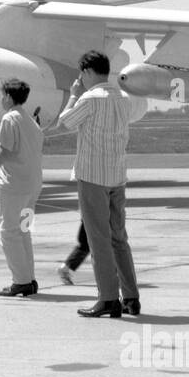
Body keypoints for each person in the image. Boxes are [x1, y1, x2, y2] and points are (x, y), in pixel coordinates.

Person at [57, 51, 148, 318]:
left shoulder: (90, 98)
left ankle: (108, 299)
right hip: (117, 176)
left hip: (93, 177)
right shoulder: (122, 98)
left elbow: (64, 122)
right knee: (119, 238)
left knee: (98, 240)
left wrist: (73, 94)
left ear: (86, 72)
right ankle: (131, 297)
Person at [0, 79, 45, 297]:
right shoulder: (29, 120)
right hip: (32, 185)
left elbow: (5, 152)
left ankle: (21, 281)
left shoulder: (9, 118)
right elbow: (17, 145)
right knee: (24, 232)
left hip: (15, 185)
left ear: (9, 97)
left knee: (8, 232)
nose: (1, 98)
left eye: (3, 95)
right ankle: (28, 279)